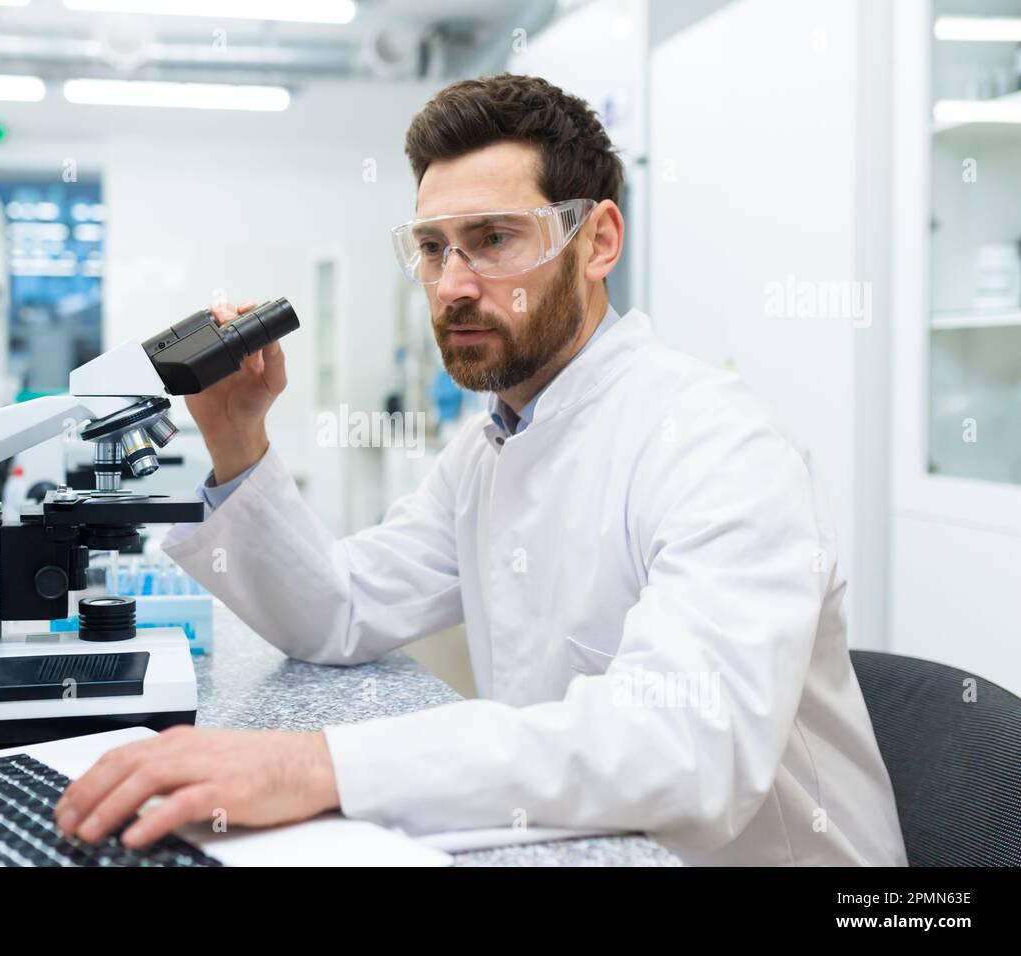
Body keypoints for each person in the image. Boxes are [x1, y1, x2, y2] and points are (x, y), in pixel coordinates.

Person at [55, 74, 907, 866]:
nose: (453, 285)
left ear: (597, 240)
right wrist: (239, 438)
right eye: (432, 247)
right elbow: (339, 613)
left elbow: (686, 745)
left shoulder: (718, 443)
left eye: (493, 239)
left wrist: (313, 765)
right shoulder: (492, 445)